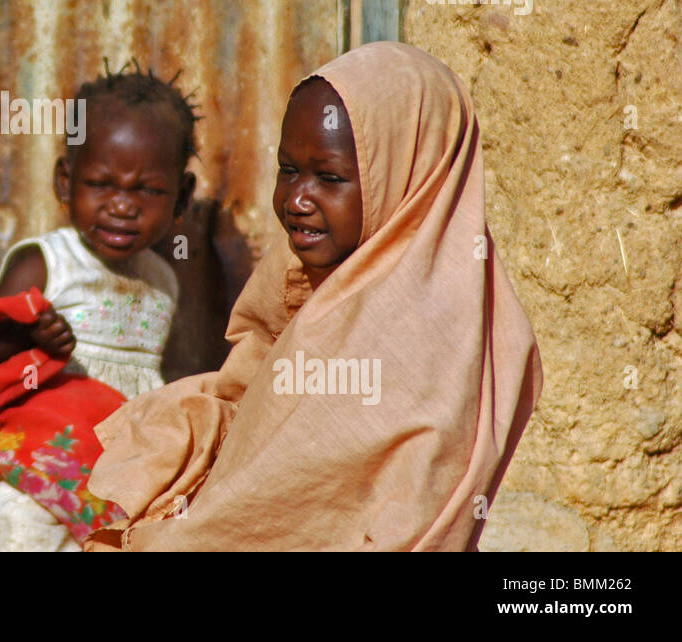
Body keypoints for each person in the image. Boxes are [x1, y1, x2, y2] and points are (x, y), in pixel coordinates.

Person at [84, 42, 543, 551]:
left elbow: (381, 518)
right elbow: (246, 404)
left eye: (329, 178)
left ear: (408, 178)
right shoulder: (302, 280)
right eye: (288, 170)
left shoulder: (435, 340)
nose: (297, 200)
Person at [0, 65, 198, 551]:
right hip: (9, 437)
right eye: (101, 184)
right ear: (65, 182)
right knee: (32, 522)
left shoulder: (163, 282)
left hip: (102, 452)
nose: (122, 205)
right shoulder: (46, 263)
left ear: (182, 196)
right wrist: (24, 338)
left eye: (147, 190)